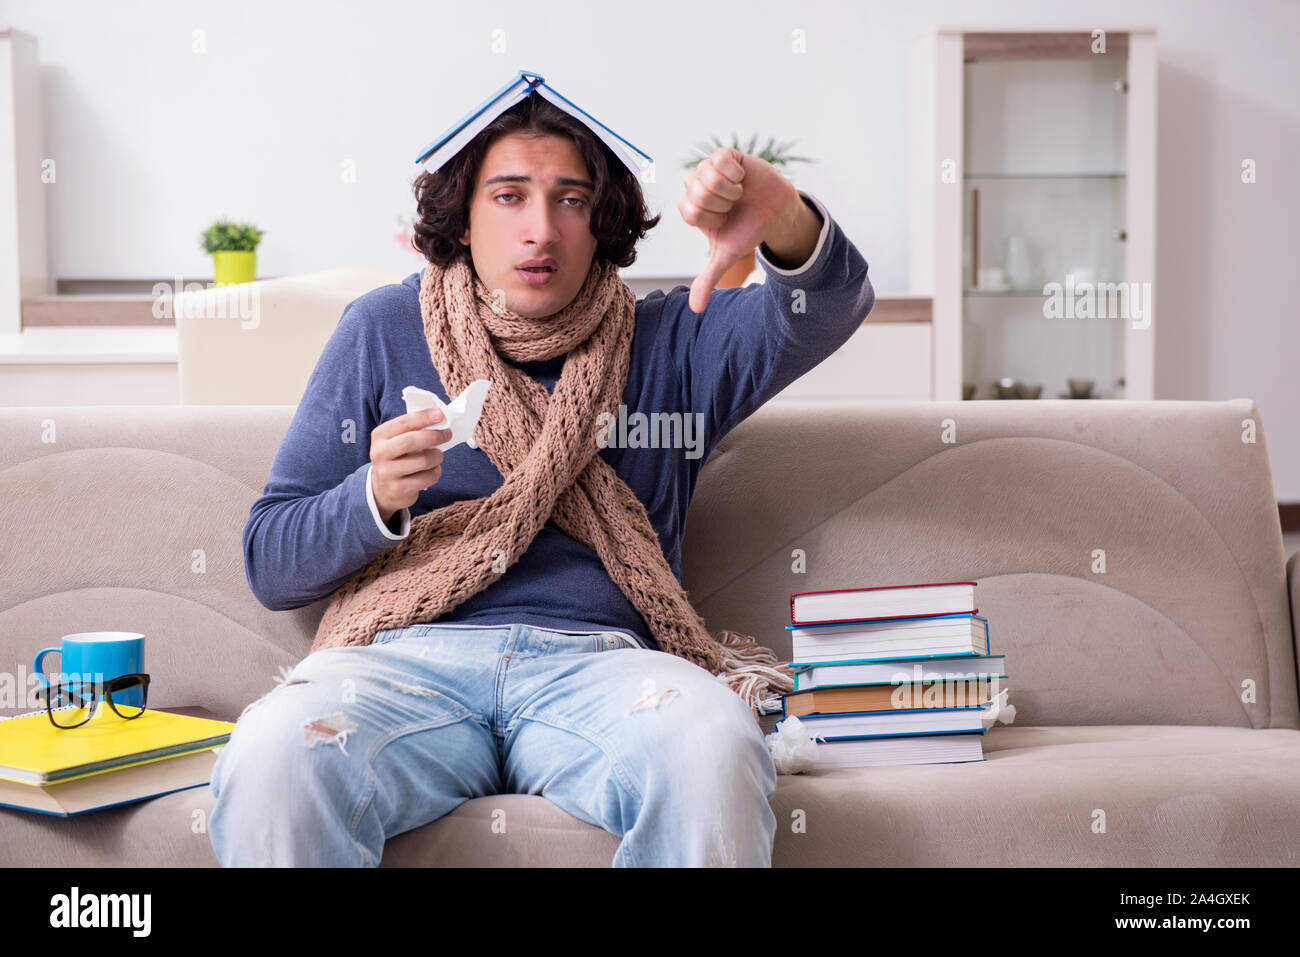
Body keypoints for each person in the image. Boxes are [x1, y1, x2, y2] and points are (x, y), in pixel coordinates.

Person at [208, 92, 875, 866]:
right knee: (272, 758)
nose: (541, 228)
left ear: (602, 223)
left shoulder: (671, 340)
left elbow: (827, 307)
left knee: (714, 744)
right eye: (509, 195)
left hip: (603, 671)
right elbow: (271, 561)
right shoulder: (382, 327)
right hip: (400, 665)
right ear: (463, 217)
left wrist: (784, 213)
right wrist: (373, 497)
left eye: (572, 199)